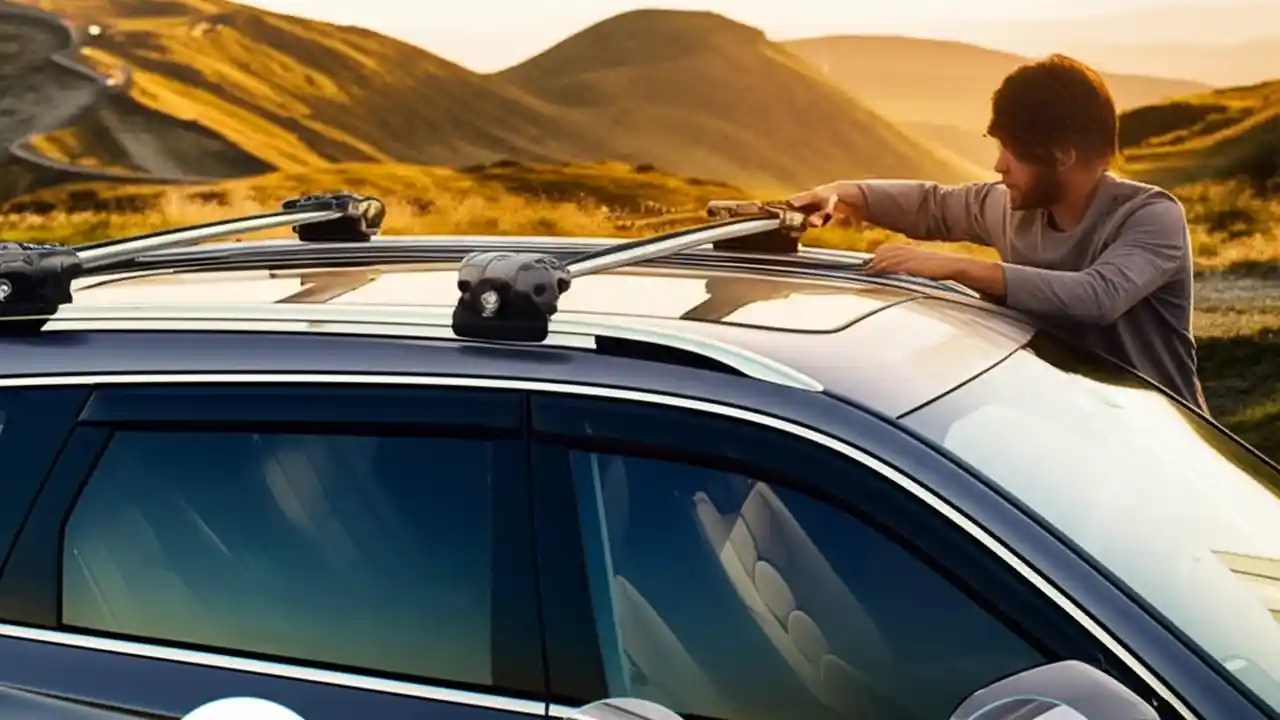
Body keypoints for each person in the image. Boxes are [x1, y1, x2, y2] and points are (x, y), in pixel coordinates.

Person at [787, 54, 1207, 412]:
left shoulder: (1151, 216)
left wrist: (955, 268)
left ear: (1062, 156)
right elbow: (933, 205)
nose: (999, 165)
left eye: (1012, 150)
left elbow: (1098, 296)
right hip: (1077, 431)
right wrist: (842, 192)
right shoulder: (1010, 207)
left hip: (1171, 442)